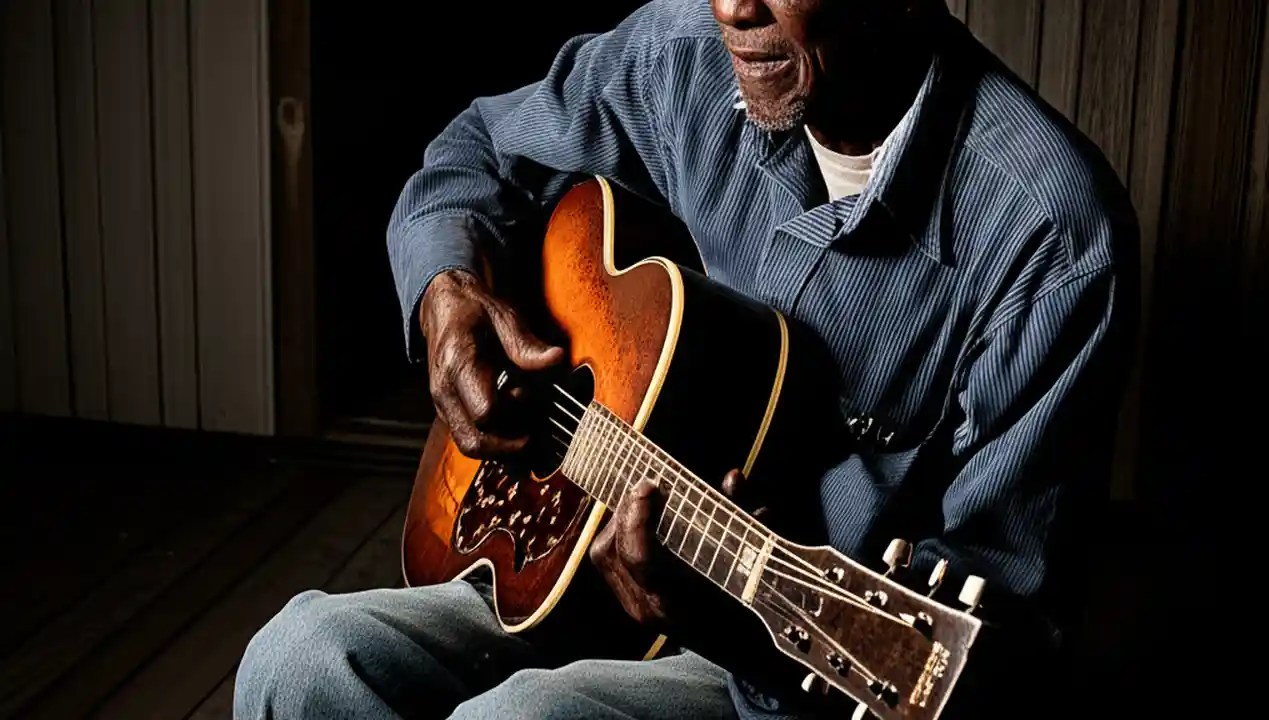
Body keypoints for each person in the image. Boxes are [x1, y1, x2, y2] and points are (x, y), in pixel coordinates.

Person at [234, 0, 1138, 717]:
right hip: (570, 557)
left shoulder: (1052, 238)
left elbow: (991, 654)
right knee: (300, 659)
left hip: (791, 666)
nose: (732, 7)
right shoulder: (683, 58)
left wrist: (738, 631)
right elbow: (475, 151)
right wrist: (445, 292)